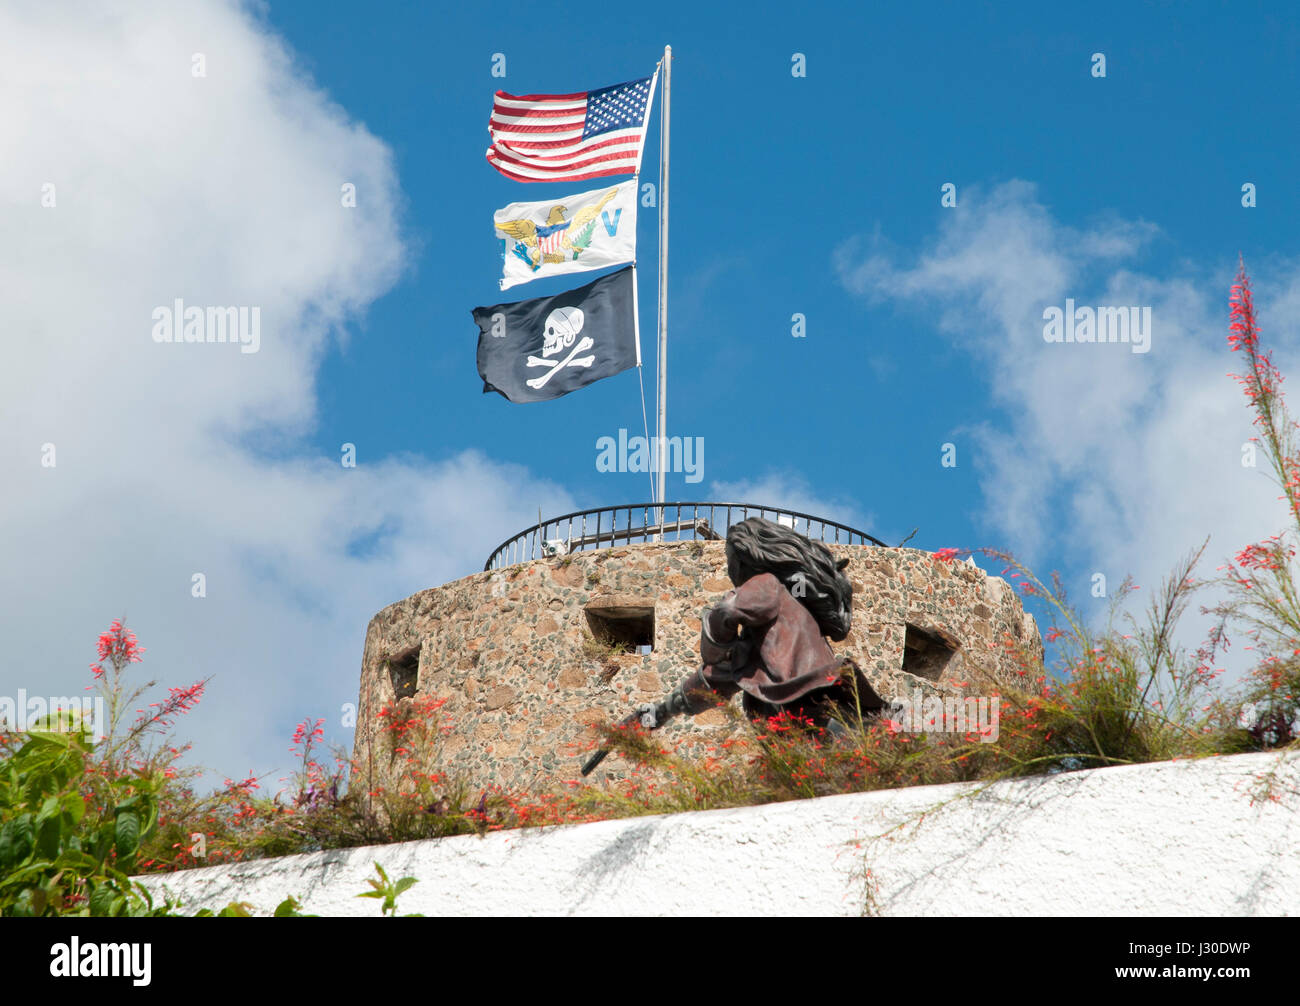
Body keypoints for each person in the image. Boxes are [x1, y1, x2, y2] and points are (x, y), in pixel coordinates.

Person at [641, 517, 886, 733]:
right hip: (823, 702)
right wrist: (660, 712)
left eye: (729, 559)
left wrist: (716, 642)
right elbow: (717, 678)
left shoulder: (767, 584)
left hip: (806, 703)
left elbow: (727, 612)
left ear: (744, 556)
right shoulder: (787, 617)